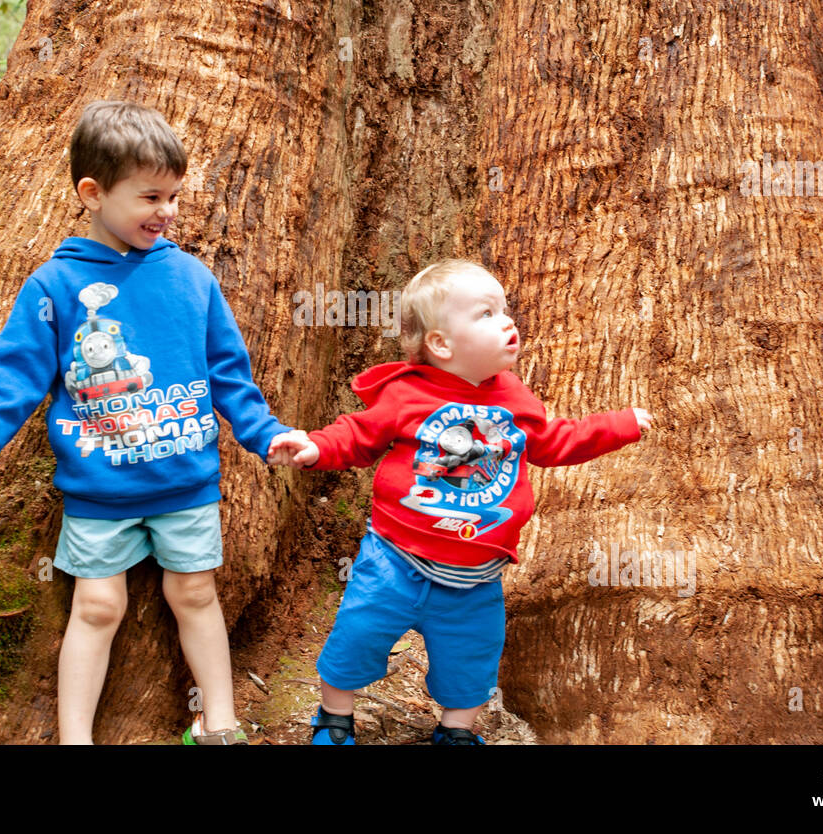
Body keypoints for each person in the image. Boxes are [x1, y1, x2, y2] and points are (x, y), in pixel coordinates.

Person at [0, 100, 304, 745]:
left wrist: (265, 435)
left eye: (174, 195)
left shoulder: (191, 278)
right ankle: (76, 738)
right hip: (99, 489)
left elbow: (229, 375)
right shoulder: (55, 285)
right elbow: (12, 380)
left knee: (196, 595)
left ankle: (221, 722)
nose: (167, 211)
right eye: (150, 196)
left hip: (185, 482)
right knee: (97, 607)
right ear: (92, 194)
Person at [269, 259, 653, 744]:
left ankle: (456, 732)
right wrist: (316, 447)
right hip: (395, 560)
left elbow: (556, 442)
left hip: (477, 575)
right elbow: (359, 435)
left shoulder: (513, 397)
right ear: (442, 344)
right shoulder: (408, 393)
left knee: (472, 658)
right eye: (487, 314)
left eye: (506, 309)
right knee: (356, 638)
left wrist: (620, 425)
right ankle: (334, 718)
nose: (508, 321)